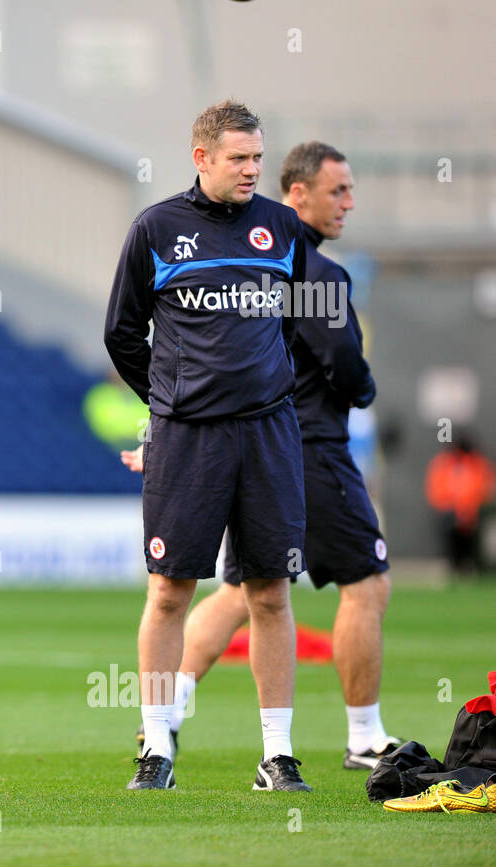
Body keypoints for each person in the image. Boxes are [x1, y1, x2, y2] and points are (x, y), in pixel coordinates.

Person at [124, 142, 403, 771]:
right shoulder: (311, 268)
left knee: (246, 590)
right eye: (338, 191)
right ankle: (363, 735)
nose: (349, 203)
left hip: (260, 438)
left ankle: (173, 714)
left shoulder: (277, 249)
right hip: (302, 444)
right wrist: (363, 389)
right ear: (297, 194)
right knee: (365, 582)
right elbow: (340, 357)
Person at [104, 101, 310, 792]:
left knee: (271, 592)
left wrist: (273, 392)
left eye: (258, 158)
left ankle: (277, 755)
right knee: (169, 591)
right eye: (240, 159)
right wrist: (170, 404)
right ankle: (157, 744)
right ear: (202, 159)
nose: (254, 169)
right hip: (187, 440)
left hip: (268, 436)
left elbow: (304, 333)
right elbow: (122, 334)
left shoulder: (283, 228)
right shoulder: (156, 230)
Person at [426, 434, 496, 575]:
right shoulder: (444, 464)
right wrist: (456, 510)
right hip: (450, 513)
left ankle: (476, 567)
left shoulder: (477, 464)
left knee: (475, 537)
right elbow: (438, 492)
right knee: (452, 535)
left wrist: (469, 511)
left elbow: (486, 490)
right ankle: (455, 566)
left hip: (474, 514)